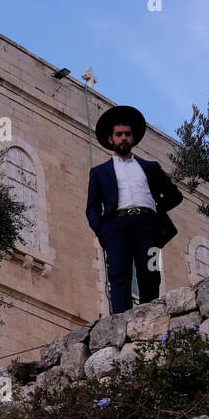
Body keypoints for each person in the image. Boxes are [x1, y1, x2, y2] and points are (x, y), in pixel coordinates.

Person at [85, 105, 184, 314]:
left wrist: (155, 210)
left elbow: (175, 196)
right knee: (119, 273)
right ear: (111, 139)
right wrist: (102, 230)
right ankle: (122, 319)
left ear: (133, 138)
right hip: (115, 225)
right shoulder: (99, 172)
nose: (123, 138)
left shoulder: (150, 167)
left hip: (148, 225)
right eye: (119, 134)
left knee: (151, 270)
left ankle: (150, 314)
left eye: (127, 134)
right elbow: (91, 207)